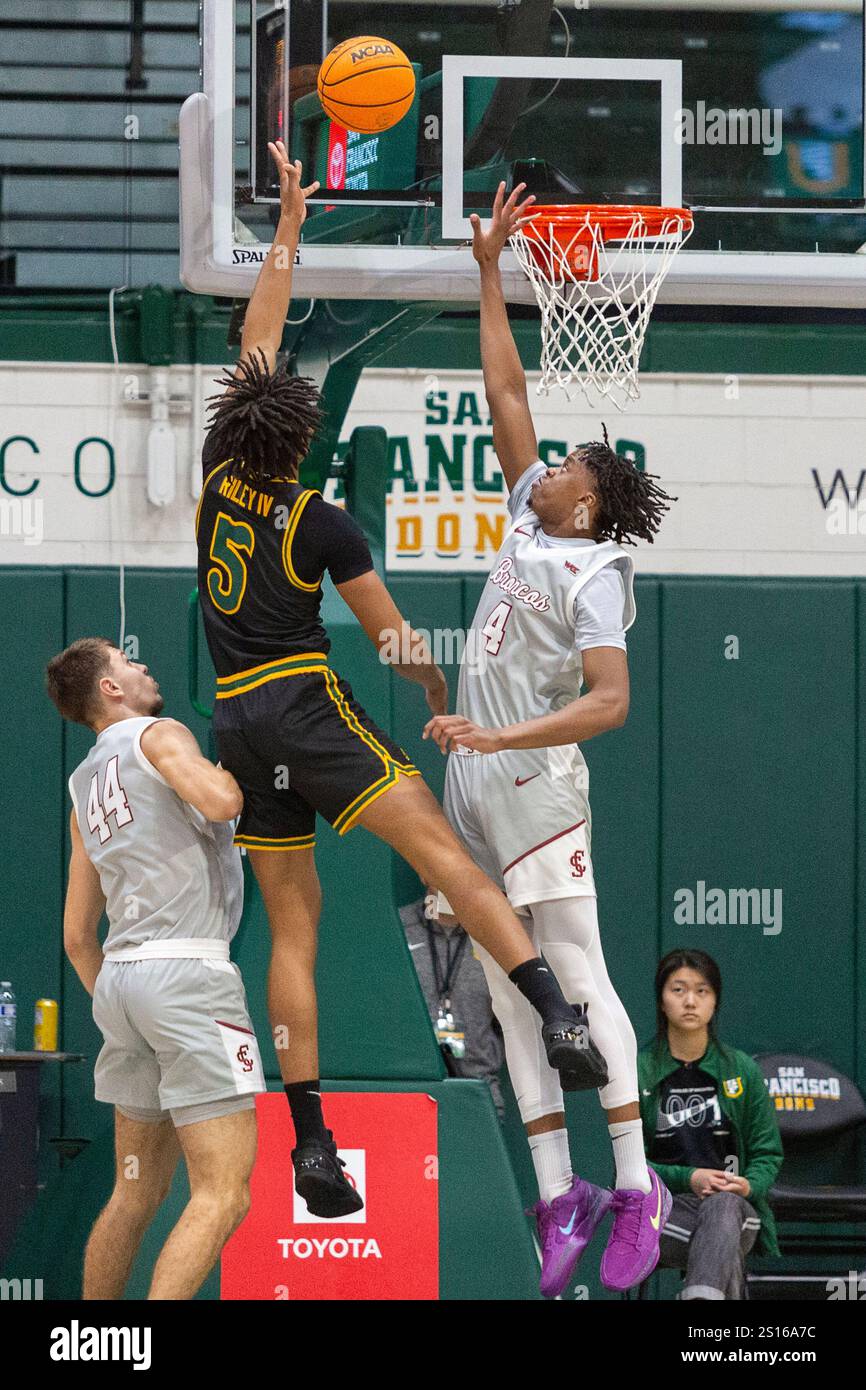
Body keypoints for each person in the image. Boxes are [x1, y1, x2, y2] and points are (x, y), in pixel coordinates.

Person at [195, 142, 602, 1220]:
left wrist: (284, 229)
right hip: (301, 701)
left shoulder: (217, 475)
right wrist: (432, 697)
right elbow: (388, 640)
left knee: (289, 931)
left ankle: (310, 1139)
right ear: (307, 433)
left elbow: (258, 338)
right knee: (439, 847)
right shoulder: (322, 520)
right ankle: (554, 1010)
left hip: (235, 717)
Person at [423, 181, 679, 1298]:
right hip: (475, 773)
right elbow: (505, 389)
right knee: (504, 985)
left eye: (571, 461)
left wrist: (499, 731)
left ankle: (635, 1183)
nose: (552, 458)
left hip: (531, 775)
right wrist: (490, 272)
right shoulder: (535, 510)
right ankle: (559, 1188)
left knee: (575, 974)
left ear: (591, 500)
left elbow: (610, 703)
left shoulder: (594, 570)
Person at [46, 638, 265, 1300]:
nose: (144, 666)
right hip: (189, 977)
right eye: (129, 663)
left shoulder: (83, 782)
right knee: (224, 1193)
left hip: (120, 983)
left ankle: (97, 1344)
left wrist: (125, 1008)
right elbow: (222, 803)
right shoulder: (161, 734)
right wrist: (239, 770)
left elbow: (78, 937)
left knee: (135, 1192)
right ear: (110, 689)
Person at [639, 949, 782, 1300]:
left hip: (738, 1209)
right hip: (662, 1215)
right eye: (678, 990)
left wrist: (746, 1187)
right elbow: (628, 1166)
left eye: (702, 991)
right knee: (720, 1244)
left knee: (722, 1206)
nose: (690, 1001)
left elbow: (768, 1153)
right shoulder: (638, 1070)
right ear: (661, 1000)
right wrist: (689, 1178)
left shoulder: (741, 1069)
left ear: (715, 1001)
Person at [399, 894, 505, 1118]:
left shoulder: (497, 931)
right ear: (422, 871)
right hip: (411, 1093)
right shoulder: (398, 928)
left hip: (480, 1094)